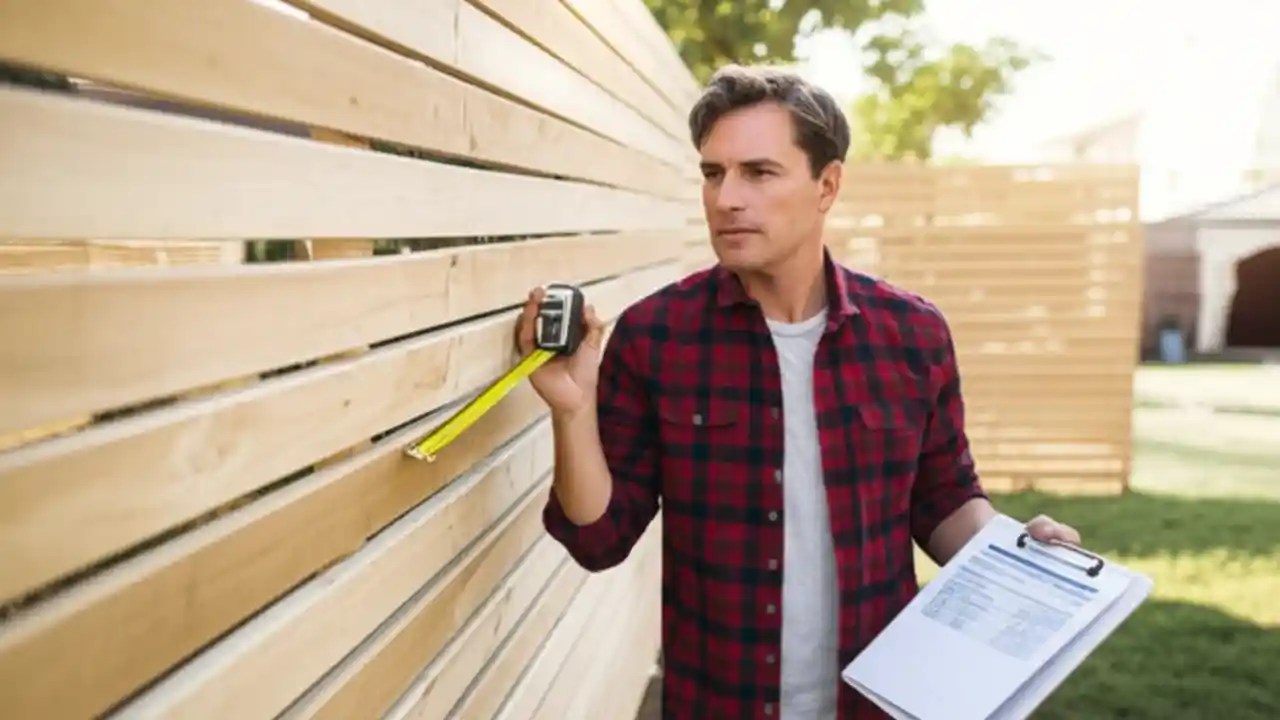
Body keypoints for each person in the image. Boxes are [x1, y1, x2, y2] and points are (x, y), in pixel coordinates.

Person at [516, 64, 1082, 720]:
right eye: (712, 173)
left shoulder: (912, 334)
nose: (726, 198)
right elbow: (599, 538)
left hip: (876, 703)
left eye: (758, 172)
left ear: (827, 185)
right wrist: (573, 409)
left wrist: (1016, 551)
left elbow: (944, 500)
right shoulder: (655, 336)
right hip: (718, 704)